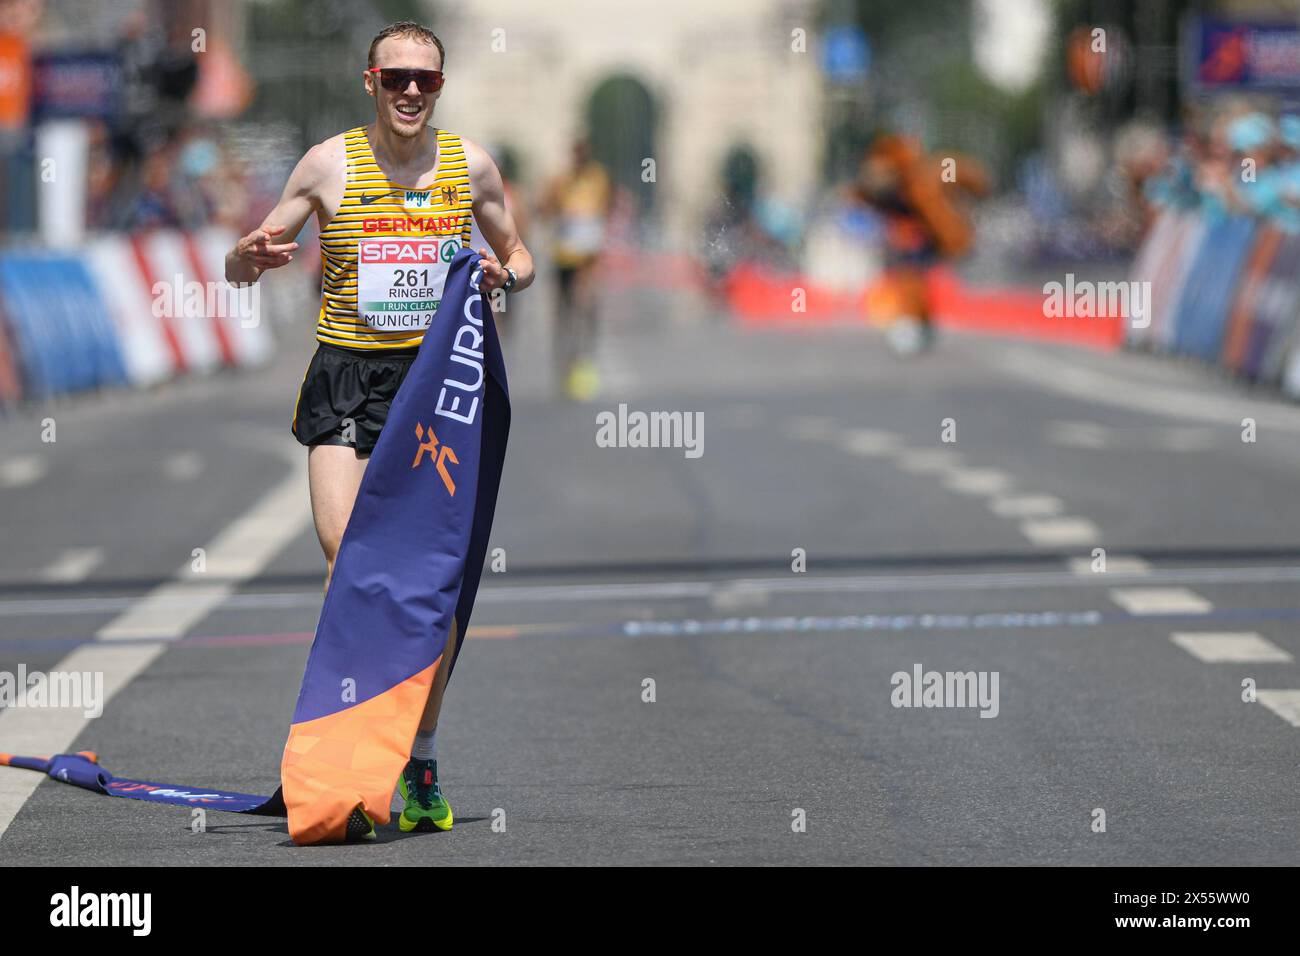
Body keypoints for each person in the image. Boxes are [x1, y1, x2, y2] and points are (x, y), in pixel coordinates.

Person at [225, 20, 534, 839]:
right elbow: (247, 255)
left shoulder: (471, 168)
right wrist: (247, 259)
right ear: (371, 81)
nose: (409, 91)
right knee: (351, 560)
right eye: (395, 76)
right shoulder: (328, 164)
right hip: (349, 381)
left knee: (430, 581)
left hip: (433, 391)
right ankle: (352, 751)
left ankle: (420, 755)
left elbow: (521, 252)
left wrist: (509, 273)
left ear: (440, 88)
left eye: (424, 80)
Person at [539, 138, 611, 399]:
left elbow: (604, 210)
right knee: (562, 310)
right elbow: (545, 208)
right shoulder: (560, 180)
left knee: (585, 304)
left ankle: (583, 359)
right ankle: (564, 359)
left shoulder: (598, 178)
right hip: (563, 255)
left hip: (586, 256)